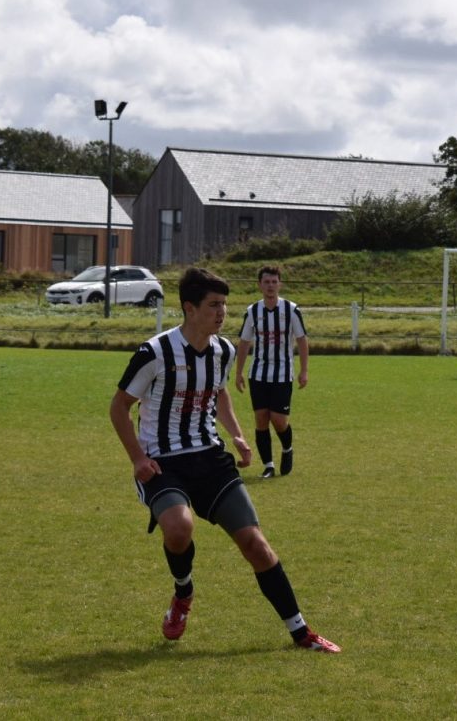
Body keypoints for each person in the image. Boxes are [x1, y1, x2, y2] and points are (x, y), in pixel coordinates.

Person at [108, 267, 339, 652]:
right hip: (163, 462)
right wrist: (137, 459)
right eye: (214, 305)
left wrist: (237, 434)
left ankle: (301, 632)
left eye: (224, 305)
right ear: (190, 308)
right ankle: (183, 592)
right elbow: (119, 407)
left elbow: (219, 392)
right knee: (179, 528)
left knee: (256, 545)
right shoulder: (155, 352)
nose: (222, 312)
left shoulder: (223, 351)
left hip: (210, 459)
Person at [234, 265, 309, 479]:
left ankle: (287, 448)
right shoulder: (252, 311)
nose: (270, 286)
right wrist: (239, 372)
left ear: (280, 284)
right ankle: (268, 466)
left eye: (274, 282)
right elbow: (244, 342)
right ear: (259, 285)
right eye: (266, 282)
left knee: (278, 420)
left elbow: (302, 340)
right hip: (258, 374)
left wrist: (304, 371)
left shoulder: (291, 309)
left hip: (283, 373)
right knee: (261, 419)